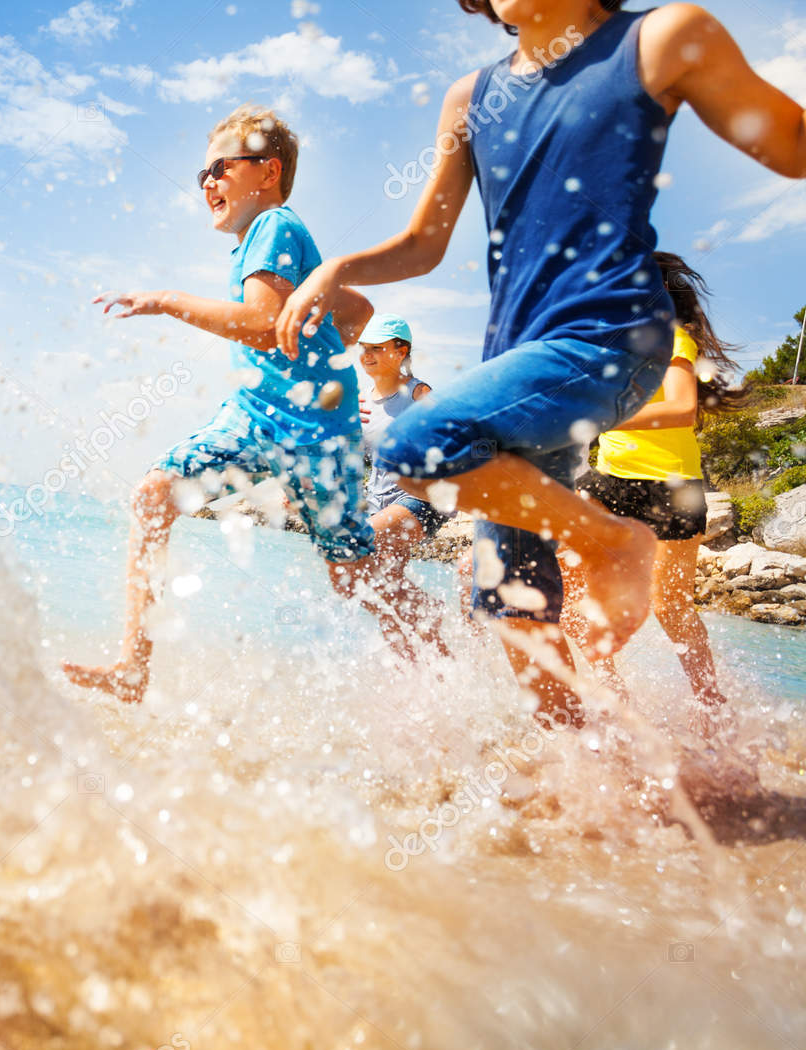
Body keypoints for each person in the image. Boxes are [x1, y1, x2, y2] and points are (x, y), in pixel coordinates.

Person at [275, 0, 806, 727]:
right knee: (515, 606)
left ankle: (615, 541)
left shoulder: (657, 40)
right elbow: (424, 242)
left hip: (610, 336)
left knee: (414, 445)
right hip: (521, 362)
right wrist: (339, 266)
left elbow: (792, 145)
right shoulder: (471, 98)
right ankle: (595, 783)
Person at [63, 105, 446, 704]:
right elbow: (358, 313)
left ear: (267, 172)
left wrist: (167, 299)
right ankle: (435, 654)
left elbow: (263, 324)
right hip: (273, 418)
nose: (207, 182)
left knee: (345, 572)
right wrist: (319, 345)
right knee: (159, 496)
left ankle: (435, 653)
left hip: (310, 432)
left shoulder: (273, 226)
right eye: (201, 175)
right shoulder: (264, 243)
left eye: (220, 167)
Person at [562, 252, 746, 714]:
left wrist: (609, 415)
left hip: (671, 488)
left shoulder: (674, 339)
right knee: (563, 582)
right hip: (609, 480)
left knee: (672, 609)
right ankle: (612, 693)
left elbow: (682, 408)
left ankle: (712, 708)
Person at [356, 314, 453, 562]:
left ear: (401, 353)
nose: (367, 355)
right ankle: (441, 605)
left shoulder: (419, 394)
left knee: (356, 547)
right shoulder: (360, 400)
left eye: (376, 348)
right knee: (387, 588)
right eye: (364, 348)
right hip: (376, 498)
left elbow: (452, 439)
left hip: (420, 497)